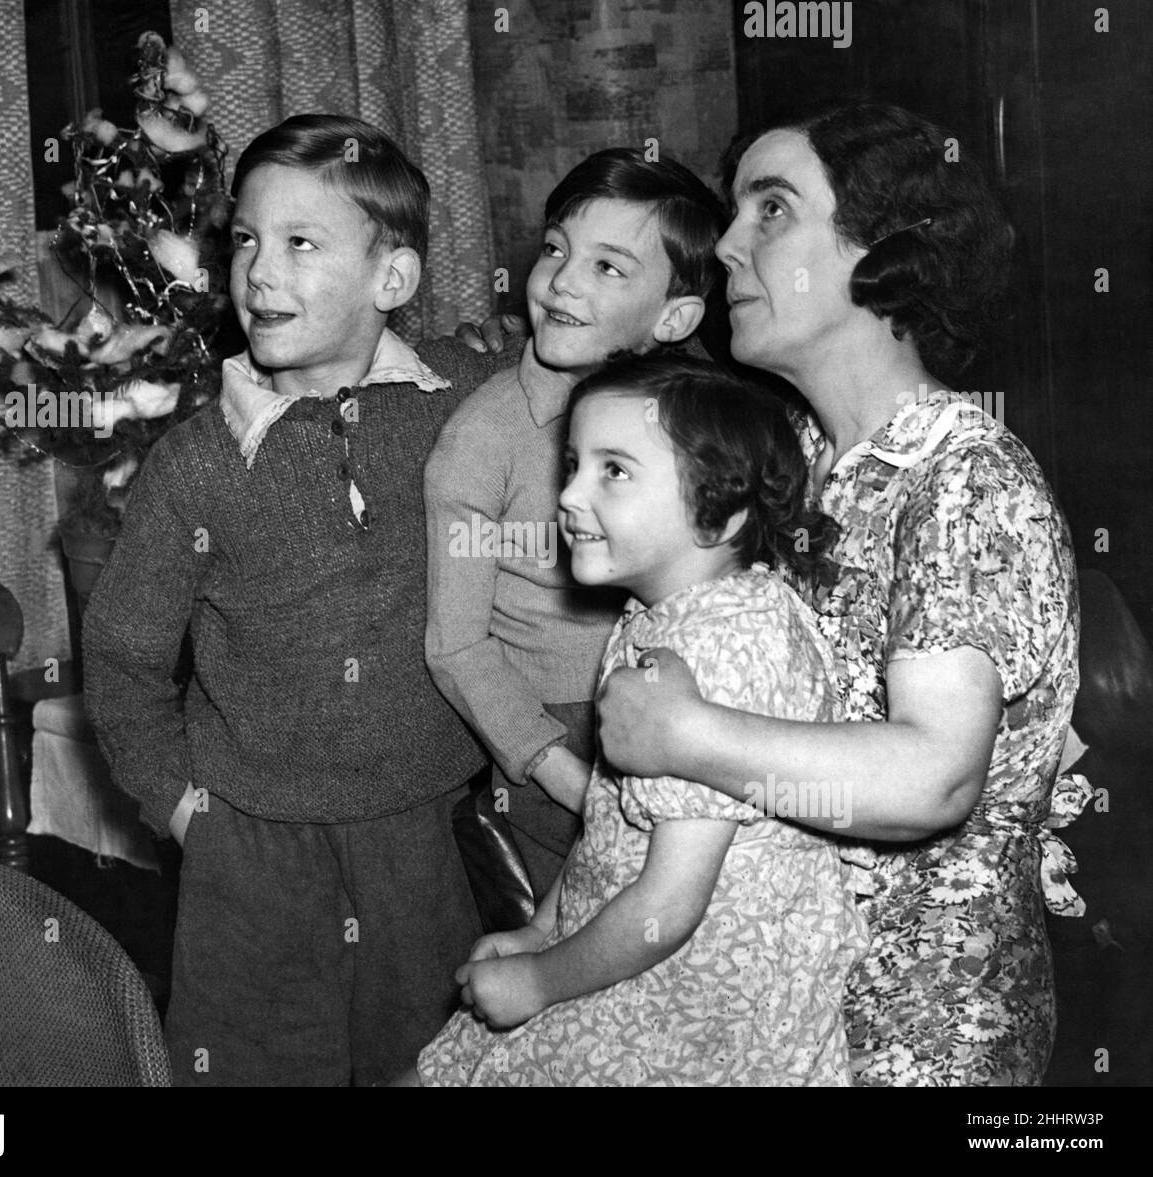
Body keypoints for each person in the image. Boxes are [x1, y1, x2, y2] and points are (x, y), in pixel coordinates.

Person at [593, 102, 1091, 1086]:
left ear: (886, 255)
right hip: (777, 1018)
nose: (728, 246)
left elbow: (932, 779)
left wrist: (683, 734)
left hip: (915, 1043)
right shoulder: (804, 460)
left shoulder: (963, 474)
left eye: (770, 210)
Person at [83, 114, 487, 1086]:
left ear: (392, 279)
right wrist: (183, 810)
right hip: (252, 852)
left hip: (425, 834)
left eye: (300, 244)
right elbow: (123, 654)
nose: (258, 273)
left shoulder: (462, 409)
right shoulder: (195, 464)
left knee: (434, 1066)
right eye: (247, 242)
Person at [408, 354, 868, 1086]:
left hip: (697, 1007)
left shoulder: (729, 644)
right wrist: (542, 928)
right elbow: (609, 821)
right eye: (573, 464)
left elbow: (670, 903)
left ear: (722, 512)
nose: (569, 495)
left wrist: (540, 980)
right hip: (630, 954)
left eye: (613, 470)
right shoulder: (654, 617)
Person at [423, 149, 724, 900]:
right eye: (556, 249)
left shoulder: (702, 417)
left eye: (607, 267)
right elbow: (456, 644)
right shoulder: (483, 436)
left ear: (674, 317)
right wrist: (567, 777)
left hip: (694, 718)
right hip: (552, 746)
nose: (562, 281)